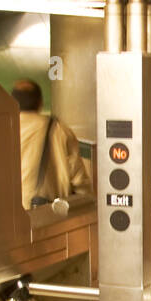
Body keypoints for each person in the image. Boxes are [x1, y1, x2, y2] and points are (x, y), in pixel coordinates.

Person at [13, 79, 90, 209]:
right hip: (47, 213)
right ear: (40, 103)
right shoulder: (59, 130)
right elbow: (79, 180)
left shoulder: (3, 130)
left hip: (11, 215)